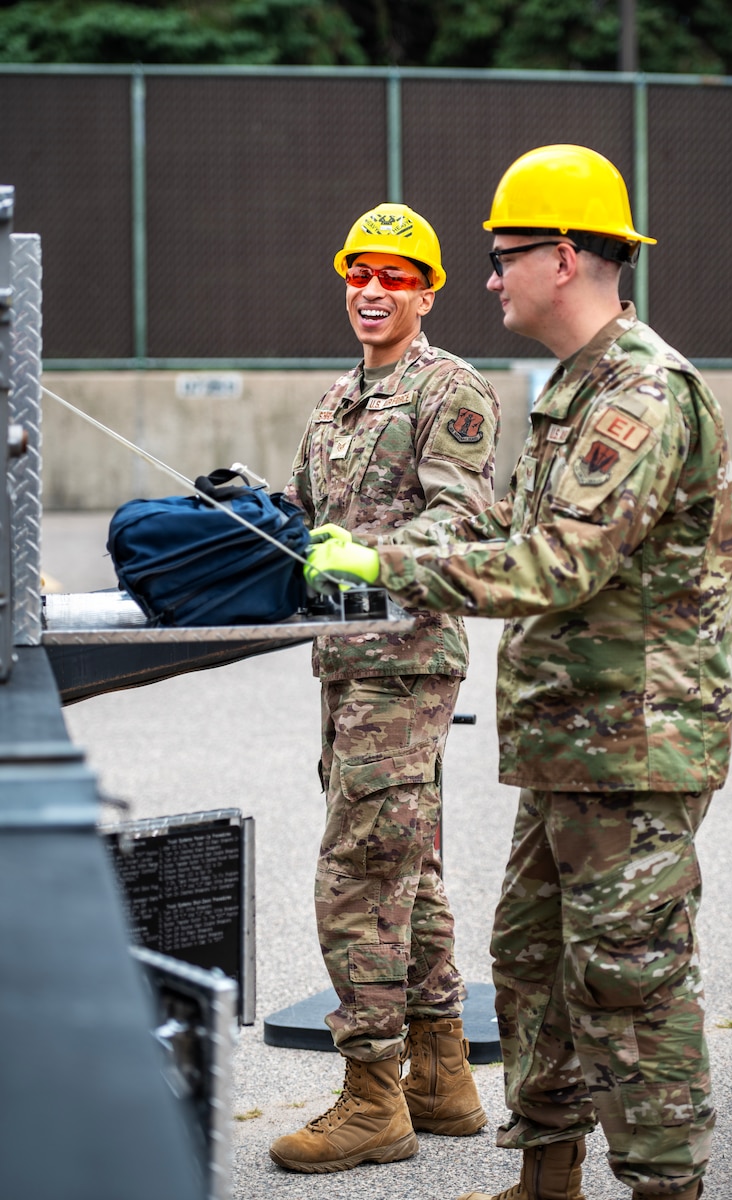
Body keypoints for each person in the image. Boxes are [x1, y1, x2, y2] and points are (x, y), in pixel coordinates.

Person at [304, 146, 732, 1200]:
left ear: (560, 256)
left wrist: (387, 562)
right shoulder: (570, 394)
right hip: (567, 739)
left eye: (501, 258)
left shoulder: (638, 393)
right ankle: (546, 1179)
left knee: (629, 984)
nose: (488, 279)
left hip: (632, 746)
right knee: (534, 963)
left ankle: (663, 1188)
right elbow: (510, 525)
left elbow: (558, 562)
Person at [269, 203, 500, 1174]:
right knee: (409, 864)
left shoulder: (449, 392)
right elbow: (300, 516)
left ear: (427, 292)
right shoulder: (338, 401)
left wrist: (370, 556)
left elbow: (465, 527)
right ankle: (442, 1077)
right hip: (346, 664)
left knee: (357, 872)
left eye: (395, 276)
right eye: (359, 273)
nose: (372, 288)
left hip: (404, 661)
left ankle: (372, 1094)